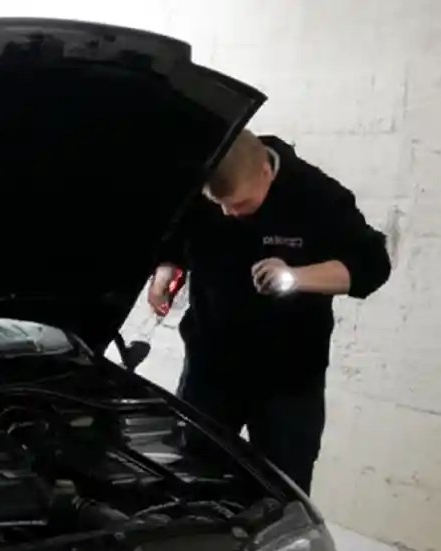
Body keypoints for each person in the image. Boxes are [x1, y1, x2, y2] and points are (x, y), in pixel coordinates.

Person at [149, 129, 391, 495]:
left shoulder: (317, 196)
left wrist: (298, 276)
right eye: (220, 205)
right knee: (190, 476)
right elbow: (175, 238)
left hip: (288, 376)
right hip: (210, 367)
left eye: (241, 204)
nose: (229, 213)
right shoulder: (204, 185)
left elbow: (373, 265)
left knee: (282, 490)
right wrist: (166, 270)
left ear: (266, 171)